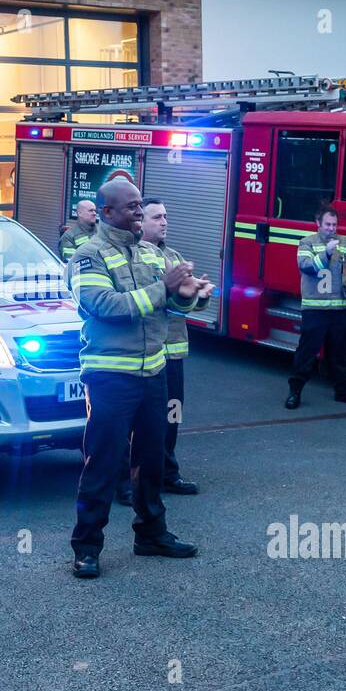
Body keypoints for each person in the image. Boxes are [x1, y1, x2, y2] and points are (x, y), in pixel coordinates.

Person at [66, 179, 212, 579]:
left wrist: (191, 293)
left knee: (150, 461)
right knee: (103, 461)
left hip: (153, 373)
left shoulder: (150, 253)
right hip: (111, 377)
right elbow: (104, 306)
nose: (137, 212)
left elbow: (174, 311)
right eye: (131, 207)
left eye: (139, 206)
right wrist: (164, 288)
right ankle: (86, 546)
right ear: (107, 212)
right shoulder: (87, 256)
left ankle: (151, 534)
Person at [139, 198, 208, 495]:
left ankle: (168, 473)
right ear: (139, 222)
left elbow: (184, 307)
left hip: (174, 353)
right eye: (157, 217)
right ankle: (131, 480)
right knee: (140, 421)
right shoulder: (137, 258)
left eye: (166, 216)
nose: (164, 222)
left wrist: (200, 294)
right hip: (145, 354)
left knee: (172, 415)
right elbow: (151, 302)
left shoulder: (175, 256)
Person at [286, 202, 346, 409]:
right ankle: (295, 391)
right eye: (328, 224)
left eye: (334, 225)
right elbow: (306, 266)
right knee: (307, 353)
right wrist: (326, 254)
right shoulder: (307, 243)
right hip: (315, 309)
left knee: (340, 354)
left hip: (340, 309)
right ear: (318, 224)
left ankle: (343, 392)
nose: (331, 228)